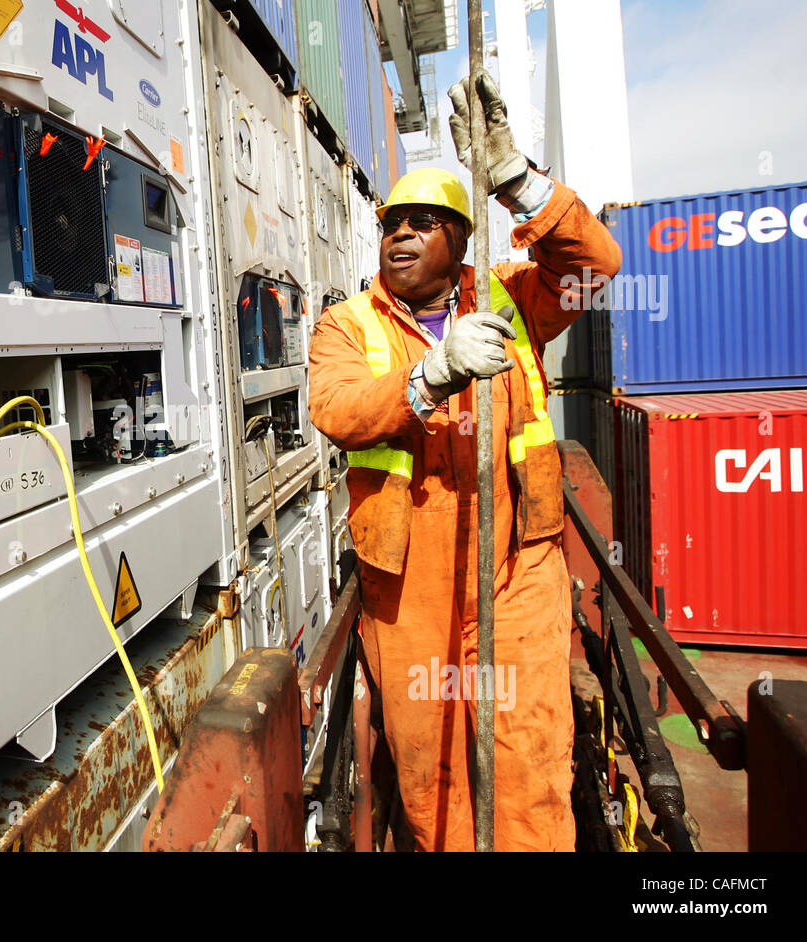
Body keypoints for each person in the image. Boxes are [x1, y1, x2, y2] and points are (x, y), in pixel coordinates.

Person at [308, 72, 621, 851]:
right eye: (391, 225)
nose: (401, 236)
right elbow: (337, 410)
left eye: (424, 222)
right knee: (433, 768)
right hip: (412, 586)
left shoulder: (511, 299)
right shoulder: (348, 324)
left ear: (460, 240)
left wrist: (515, 178)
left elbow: (596, 266)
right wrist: (431, 374)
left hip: (516, 571)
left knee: (529, 762)